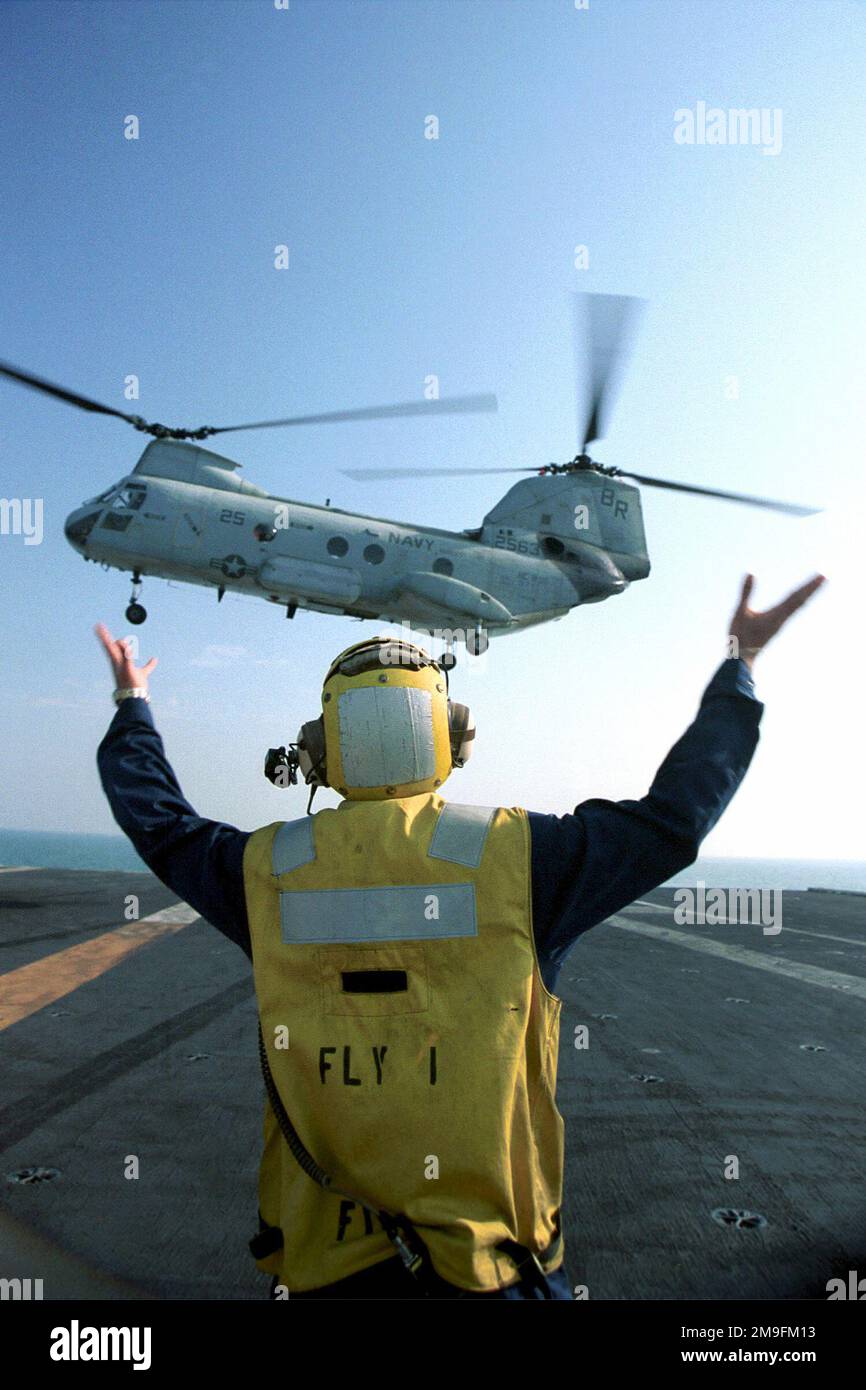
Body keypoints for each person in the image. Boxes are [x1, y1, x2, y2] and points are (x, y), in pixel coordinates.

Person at [95, 571, 824, 1300]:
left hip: (324, 1269)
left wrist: (133, 703)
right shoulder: (523, 859)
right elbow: (676, 817)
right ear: (451, 734)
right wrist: (741, 666)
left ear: (319, 747)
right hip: (494, 1273)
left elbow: (159, 822)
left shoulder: (263, 872)